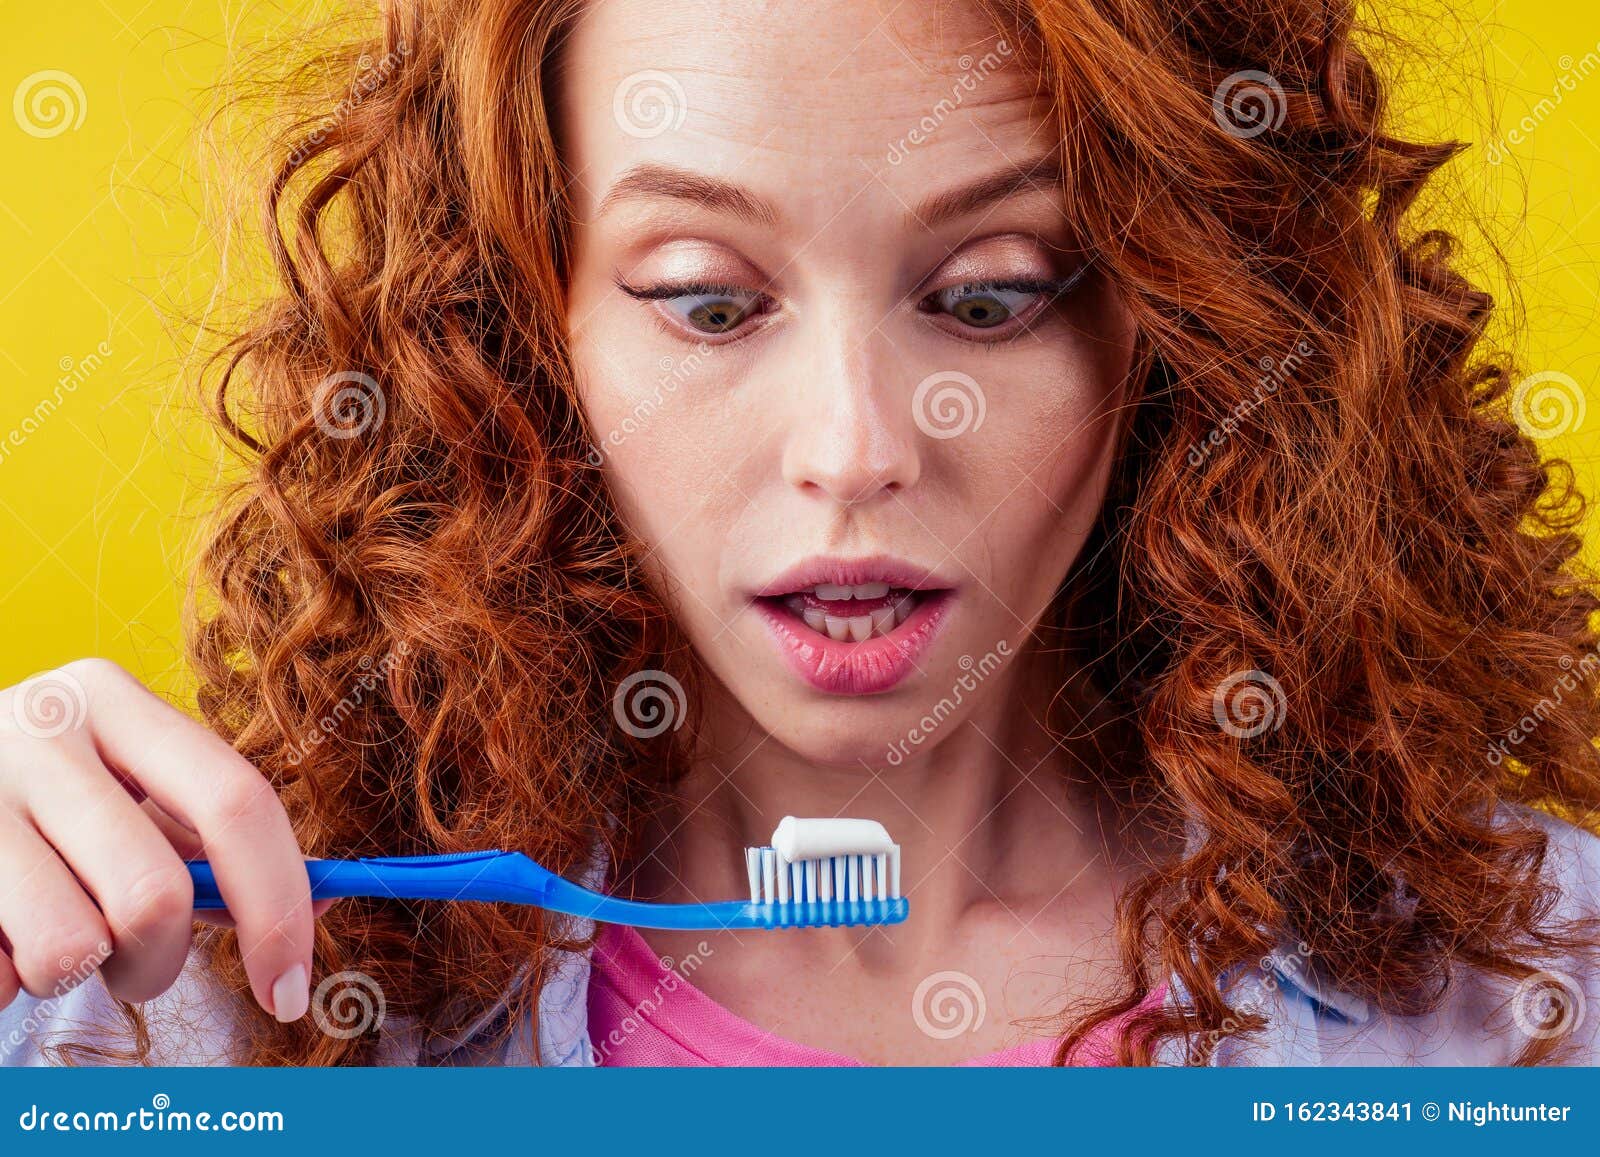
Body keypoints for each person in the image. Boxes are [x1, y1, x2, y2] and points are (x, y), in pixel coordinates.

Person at [3, 0, 1599, 1067]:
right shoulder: (166, 1016)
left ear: (1169, 321)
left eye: (987, 295)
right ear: (519, 327)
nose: (857, 453)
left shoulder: (1545, 1007)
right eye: (706, 298)